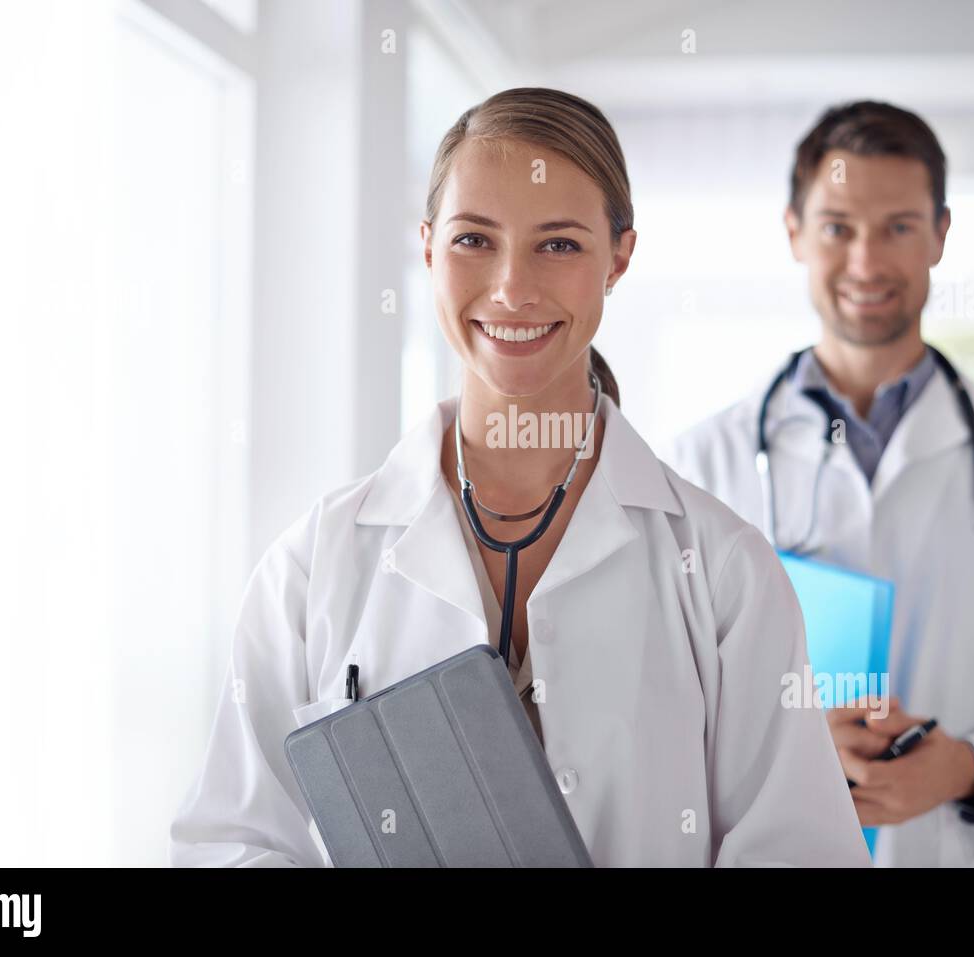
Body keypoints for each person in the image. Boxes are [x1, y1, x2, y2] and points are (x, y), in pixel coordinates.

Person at [169, 88, 870, 867]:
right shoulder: (314, 565)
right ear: (429, 247)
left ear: (620, 257)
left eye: (560, 245)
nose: (510, 288)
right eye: (475, 238)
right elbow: (228, 841)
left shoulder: (724, 570)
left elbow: (803, 852)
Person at [668, 101, 974, 866]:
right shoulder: (700, 464)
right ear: (793, 232)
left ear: (940, 233)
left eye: (898, 225)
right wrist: (782, 753)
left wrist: (970, 766)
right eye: (837, 227)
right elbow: (657, 709)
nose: (866, 262)